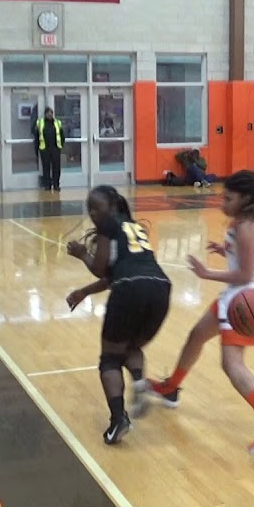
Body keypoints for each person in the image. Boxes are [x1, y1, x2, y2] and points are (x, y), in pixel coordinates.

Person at [145, 170, 254, 455]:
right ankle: (171, 388)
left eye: (228, 198)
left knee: (231, 364)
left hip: (244, 298)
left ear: (246, 199)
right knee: (196, 336)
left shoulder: (246, 227)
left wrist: (206, 272)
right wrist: (226, 248)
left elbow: (246, 273)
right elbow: (250, 257)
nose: (221, 202)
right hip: (241, 295)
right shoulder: (249, 223)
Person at [65, 186, 172, 445]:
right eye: (89, 207)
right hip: (161, 288)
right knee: (131, 345)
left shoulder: (107, 224)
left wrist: (82, 254)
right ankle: (139, 382)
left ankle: (118, 420)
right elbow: (117, 275)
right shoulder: (132, 227)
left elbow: (101, 268)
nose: (92, 212)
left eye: (96, 207)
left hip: (130, 289)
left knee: (110, 357)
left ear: (111, 206)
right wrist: (84, 293)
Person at [33, 107, 63, 192]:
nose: (50, 115)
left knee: (56, 167)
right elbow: (37, 136)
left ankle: (56, 185)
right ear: (45, 114)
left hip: (55, 148)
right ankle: (47, 185)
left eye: (51, 113)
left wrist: (60, 146)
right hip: (44, 149)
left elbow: (61, 135)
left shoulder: (57, 123)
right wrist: (37, 149)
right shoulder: (40, 123)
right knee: (46, 168)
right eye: (48, 113)